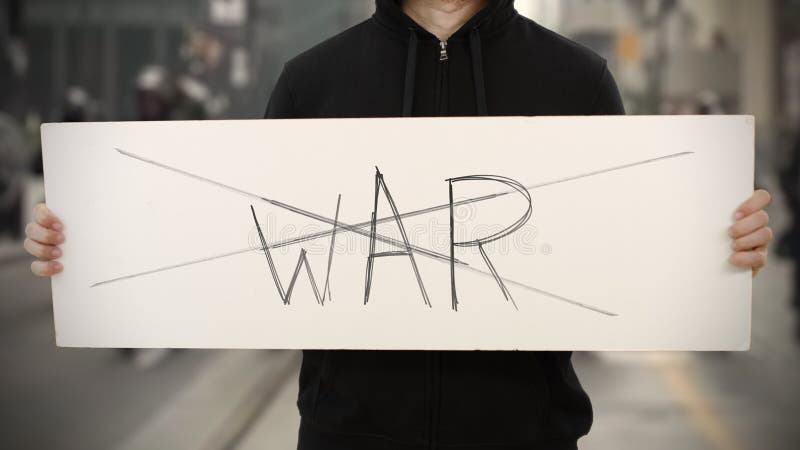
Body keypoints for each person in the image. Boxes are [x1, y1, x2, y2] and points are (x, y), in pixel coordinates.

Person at [25, 1, 774, 449]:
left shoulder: (578, 79)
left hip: (527, 436)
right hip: (347, 437)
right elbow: (237, 237)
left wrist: (717, 248)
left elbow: (625, 241)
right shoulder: (312, 80)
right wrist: (90, 243)